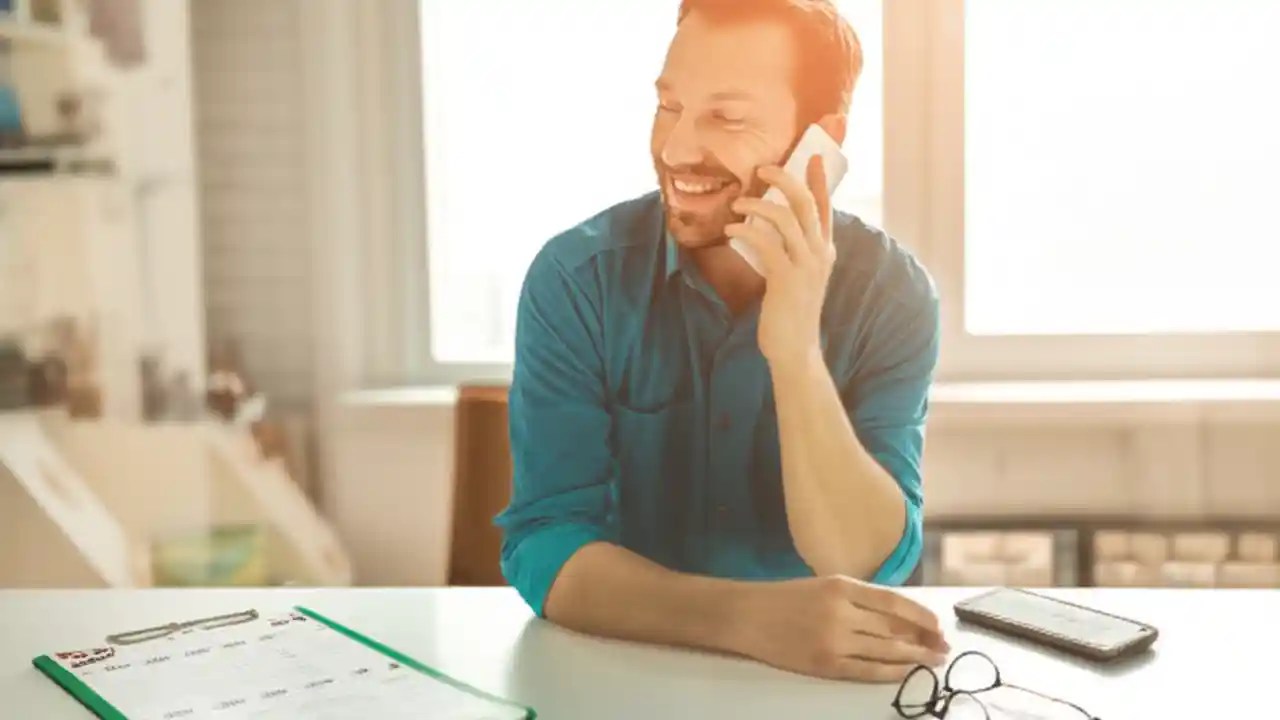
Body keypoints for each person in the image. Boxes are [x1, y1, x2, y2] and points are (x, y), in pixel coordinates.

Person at [495, 0, 949, 683]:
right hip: (615, 674)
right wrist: (750, 621)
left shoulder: (892, 295)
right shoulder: (576, 280)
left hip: (814, 690)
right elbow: (547, 544)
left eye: (728, 118)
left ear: (817, 142)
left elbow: (862, 557)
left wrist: (794, 350)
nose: (676, 150)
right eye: (670, 106)